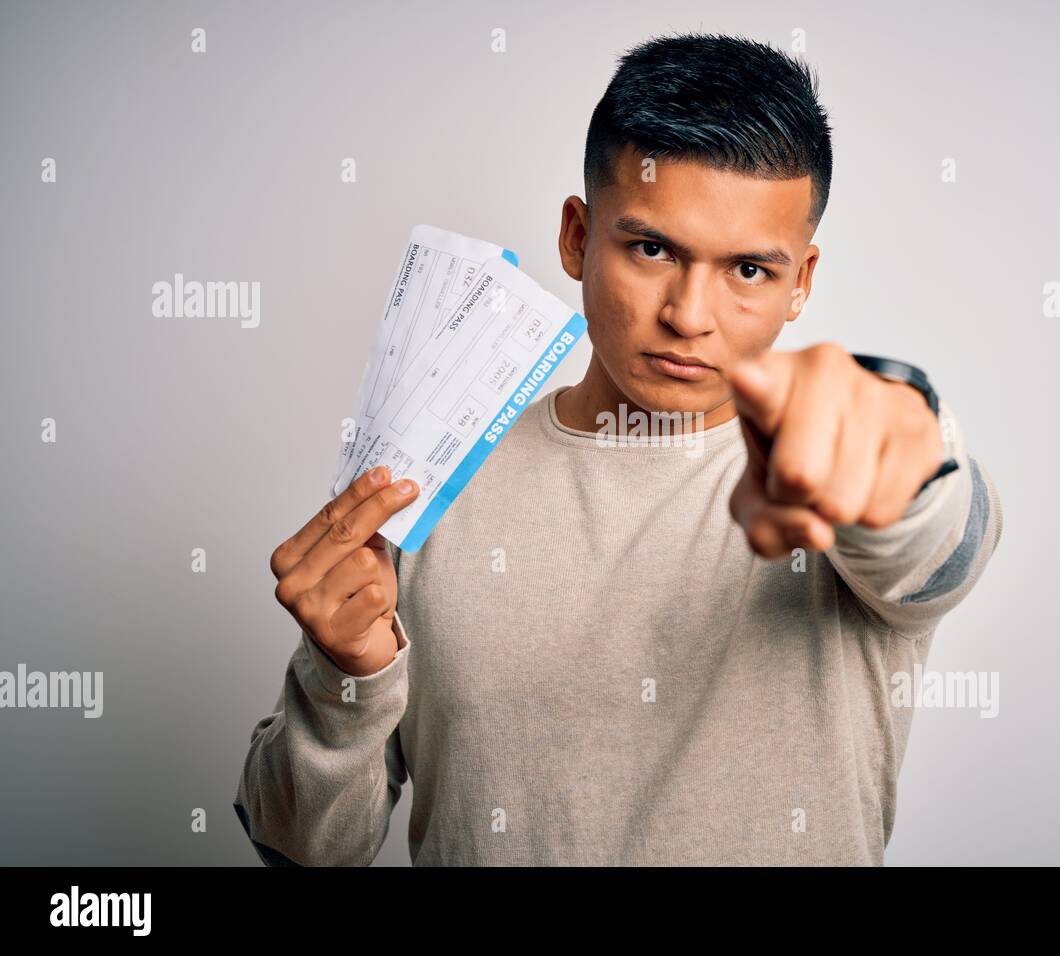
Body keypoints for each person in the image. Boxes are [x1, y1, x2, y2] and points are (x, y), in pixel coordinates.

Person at [234, 31, 1004, 866]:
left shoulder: (829, 477)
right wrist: (342, 679)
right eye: (651, 248)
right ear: (576, 236)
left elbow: (935, 538)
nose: (689, 314)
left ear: (801, 283)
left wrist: (901, 454)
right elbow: (302, 853)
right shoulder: (430, 481)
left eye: (748, 270)